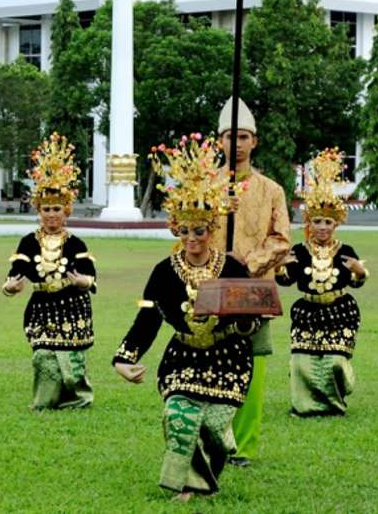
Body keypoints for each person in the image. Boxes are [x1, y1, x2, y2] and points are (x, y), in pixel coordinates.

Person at [112, 134, 260, 502]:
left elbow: (252, 319)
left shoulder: (232, 268)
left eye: (200, 230)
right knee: (178, 416)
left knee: (214, 427)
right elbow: (148, 317)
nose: (192, 238)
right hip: (183, 356)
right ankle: (190, 485)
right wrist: (124, 358)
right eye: (185, 230)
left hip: (228, 358)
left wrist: (244, 320)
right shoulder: (164, 271)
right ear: (175, 228)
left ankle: (211, 465)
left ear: (212, 229)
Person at [213, 99, 291, 466]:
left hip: (255, 288)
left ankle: (243, 447)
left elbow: (281, 239)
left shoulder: (271, 190)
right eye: (230, 137)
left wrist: (248, 262)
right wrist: (214, 209)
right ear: (220, 141)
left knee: (253, 368)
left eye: (243, 137)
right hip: (210, 285)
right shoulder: (204, 186)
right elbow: (181, 228)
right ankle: (214, 438)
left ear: (254, 141)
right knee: (210, 363)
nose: (237, 144)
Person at [1, 133, 98, 410]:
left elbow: (89, 273)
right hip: (42, 306)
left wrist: (84, 281)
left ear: (66, 211)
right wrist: (9, 287)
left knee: (72, 359)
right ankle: (44, 402)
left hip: (73, 305)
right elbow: (15, 272)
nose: (51, 214)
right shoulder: (28, 242)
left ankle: (77, 399)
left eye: (57, 208)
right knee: (44, 355)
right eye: (46, 209)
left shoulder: (76, 243)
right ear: (38, 210)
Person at [275, 148, 367, 416]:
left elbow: (357, 280)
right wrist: (280, 267)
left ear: (336, 224)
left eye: (328, 222)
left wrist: (360, 272)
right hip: (308, 311)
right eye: (317, 221)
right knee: (301, 363)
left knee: (335, 362)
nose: (322, 227)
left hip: (340, 311)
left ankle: (333, 404)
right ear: (309, 223)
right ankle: (304, 406)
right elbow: (286, 281)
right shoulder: (300, 251)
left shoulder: (345, 249)